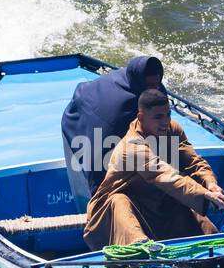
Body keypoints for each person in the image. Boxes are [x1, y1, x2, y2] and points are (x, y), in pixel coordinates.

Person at [83, 88, 224, 250]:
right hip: (117, 214)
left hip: (158, 204)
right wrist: (204, 194)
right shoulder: (132, 146)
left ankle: (217, 247)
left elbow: (194, 162)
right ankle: (139, 252)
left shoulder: (172, 130)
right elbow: (165, 175)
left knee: (189, 207)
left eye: (168, 115)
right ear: (141, 117)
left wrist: (211, 185)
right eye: (158, 117)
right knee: (119, 200)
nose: (165, 122)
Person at [61, 55, 164, 203]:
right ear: (140, 84)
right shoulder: (116, 115)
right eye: (150, 86)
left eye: (157, 84)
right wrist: (99, 197)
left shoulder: (156, 91)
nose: (154, 90)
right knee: (95, 197)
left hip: (106, 116)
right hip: (77, 120)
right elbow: (96, 159)